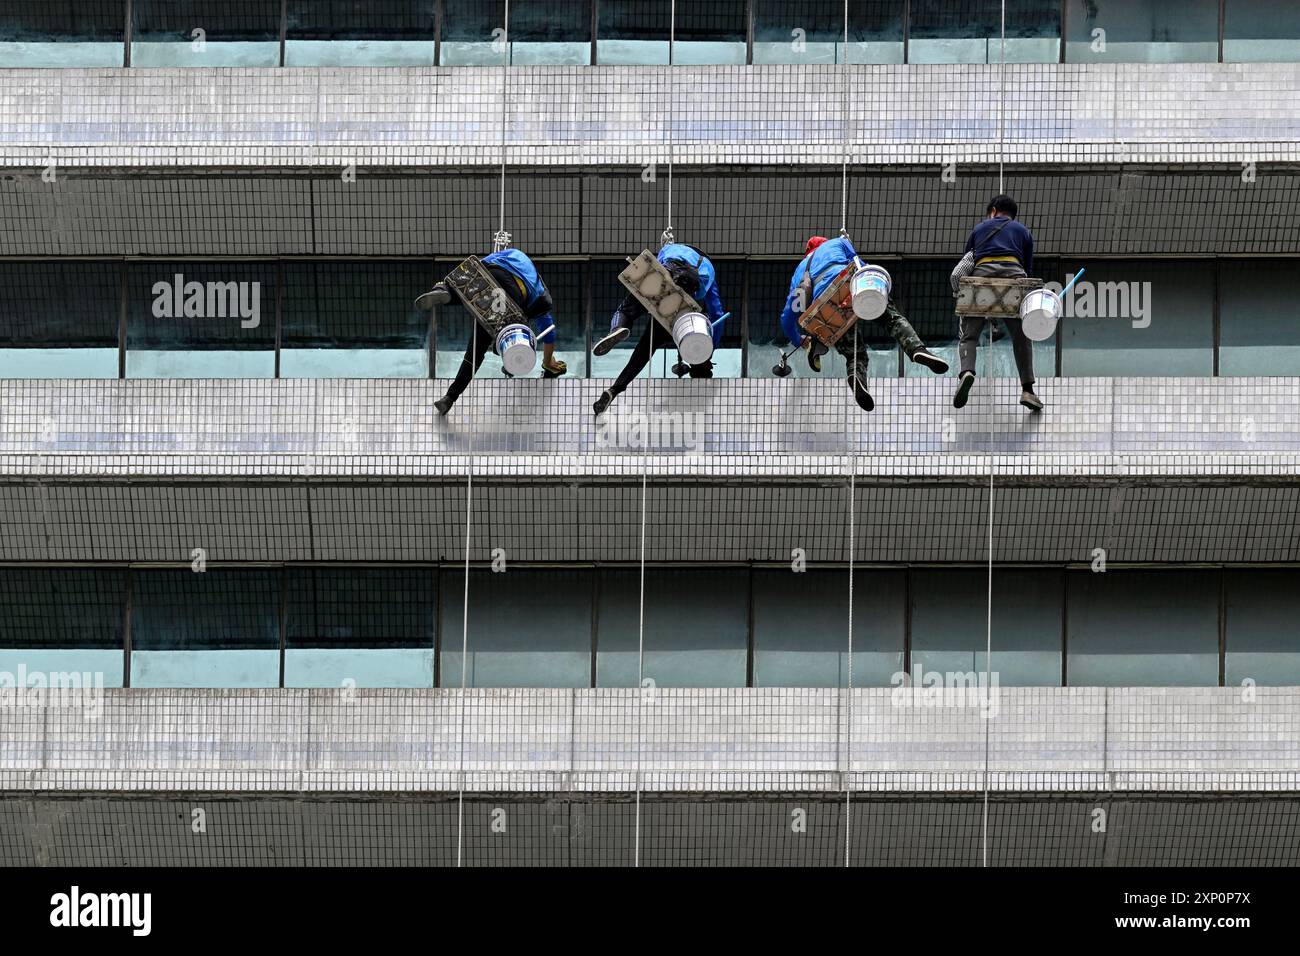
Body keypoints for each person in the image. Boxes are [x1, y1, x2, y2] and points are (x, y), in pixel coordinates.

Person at [779, 235, 948, 412]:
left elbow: (787, 317)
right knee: (891, 318)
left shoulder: (799, 271)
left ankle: (856, 376)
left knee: (855, 352)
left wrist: (799, 340)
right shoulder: (838, 242)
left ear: (807, 252)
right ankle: (917, 350)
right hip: (847, 285)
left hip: (824, 309)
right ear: (824, 243)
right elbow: (859, 265)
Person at [416, 246, 565, 416]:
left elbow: (476, 267)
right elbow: (549, 334)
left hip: (488, 282)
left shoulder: (507, 255)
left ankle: (444, 292)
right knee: (510, 329)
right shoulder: (537, 288)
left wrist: (452, 283)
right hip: (514, 290)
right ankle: (504, 347)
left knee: (472, 350)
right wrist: (548, 362)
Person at [592, 242, 726, 415]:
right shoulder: (710, 269)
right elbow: (718, 313)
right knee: (645, 350)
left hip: (665, 276)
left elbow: (658, 266)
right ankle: (615, 389)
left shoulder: (669, 248)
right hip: (683, 300)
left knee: (626, 310)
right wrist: (709, 348)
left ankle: (617, 329)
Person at [952, 195, 1042, 411]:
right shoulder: (1023, 231)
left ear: (993, 211)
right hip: (1014, 276)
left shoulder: (980, 228)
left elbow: (968, 260)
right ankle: (1028, 390)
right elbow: (1027, 268)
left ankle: (966, 372)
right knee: (1022, 338)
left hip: (981, 279)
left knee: (969, 336)